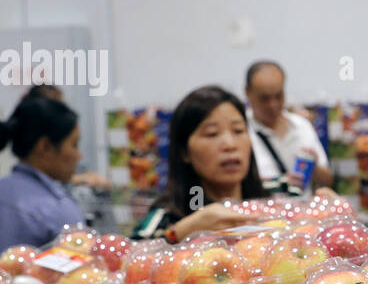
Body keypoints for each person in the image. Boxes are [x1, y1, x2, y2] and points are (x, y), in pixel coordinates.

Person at [0, 96, 87, 277]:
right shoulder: (57, 210)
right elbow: (81, 282)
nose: (79, 155)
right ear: (45, 147)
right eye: (74, 144)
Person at [133, 86, 262, 241]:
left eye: (239, 130)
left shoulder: (278, 196)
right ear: (184, 152)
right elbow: (130, 255)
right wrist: (182, 232)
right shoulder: (167, 216)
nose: (230, 144)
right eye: (212, 134)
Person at [244, 60, 332, 192]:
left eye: (278, 96)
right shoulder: (241, 131)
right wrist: (276, 184)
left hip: (302, 210)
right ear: (248, 93)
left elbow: (327, 181)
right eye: (264, 98)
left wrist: (313, 167)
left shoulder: (301, 126)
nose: (273, 105)